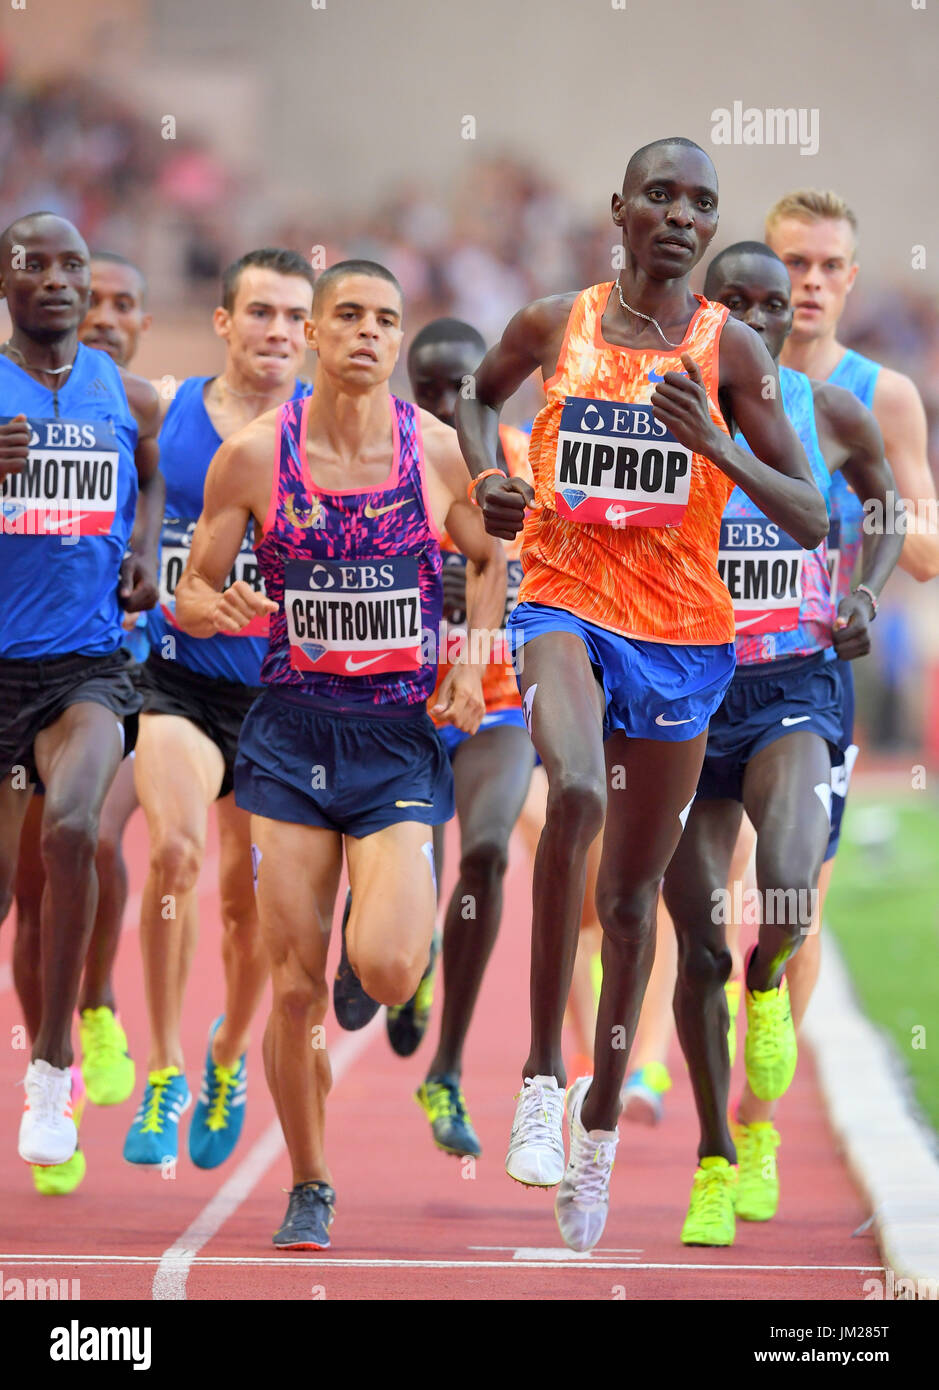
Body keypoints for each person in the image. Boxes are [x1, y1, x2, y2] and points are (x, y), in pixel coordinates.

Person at [456, 138, 827, 1252]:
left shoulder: (735, 348)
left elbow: (808, 515)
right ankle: (535, 1074)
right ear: (619, 209)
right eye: (659, 195)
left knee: (632, 911)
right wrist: (492, 479)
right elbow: (475, 401)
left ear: (710, 230)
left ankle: (601, 1126)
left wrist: (717, 446)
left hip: (681, 637)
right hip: (563, 600)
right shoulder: (552, 322)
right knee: (571, 787)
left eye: (700, 204)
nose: (679, 215)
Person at [174, 259, 506, 1248]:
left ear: (399, 340)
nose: (368, 332)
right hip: (290, 733)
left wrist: (471, 661)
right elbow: (192, 587)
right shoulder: (251, 456)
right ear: (314, 335)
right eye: (348, 315)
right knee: (291, 984)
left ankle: (398, 918)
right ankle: (309, 1183)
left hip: (398, 735)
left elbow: (490, 559)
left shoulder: (435, 450)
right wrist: (212, 603)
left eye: (386, 319)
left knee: (393, 970)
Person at [661, 240, 902, 1246]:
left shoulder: (827, 409)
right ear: (702, 308)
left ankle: (774, 982)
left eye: (772, 303)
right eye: (736, 301)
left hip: (795, 684)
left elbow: (886, 503)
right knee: (699, 943)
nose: (760, 318)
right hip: (680, 692)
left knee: (794, 876)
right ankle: (717, 1154)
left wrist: (865, 589)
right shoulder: (654, 408)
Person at [122, 248, 315, 1172]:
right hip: (179, 678)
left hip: (281, 700)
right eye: (262, 313)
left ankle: (226, 1059)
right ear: (225, 322)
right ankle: (161, 1068)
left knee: (249, 914)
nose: (279, 332)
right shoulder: (163, 412)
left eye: (294, 317)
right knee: (174, 852)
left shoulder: (332, 441)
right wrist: (173, 599)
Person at [0, 213, 162, 1174]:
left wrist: (141, 558)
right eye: (37, 264)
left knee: (74, 831)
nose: (59, 281)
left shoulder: (128, 396)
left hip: (88, 668)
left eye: (74, 266)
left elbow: (147, 481)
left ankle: (54, 1067)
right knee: (15, 897)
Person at [764, 188, 939, 1023]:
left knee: (796, 906)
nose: (810, 282)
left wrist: (853, 471)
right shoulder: (713, 381)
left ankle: (756, 1127)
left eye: (829, 266)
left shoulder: (884, 395)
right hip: (707, 668)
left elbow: (927, 554)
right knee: (700, 903)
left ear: (851, 280)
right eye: (794, 262)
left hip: (812, 679)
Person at [404, 317, 535, 1157]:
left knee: (486, 852)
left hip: (497, 701)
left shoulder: (532, 459)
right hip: (397, 706)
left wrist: (500, 575)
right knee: (398, 872)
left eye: (465, 390)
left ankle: (444, 1065)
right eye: (430, 393)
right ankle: (393, 955)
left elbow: (559, 567)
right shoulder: (387, 460)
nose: (450, 409)